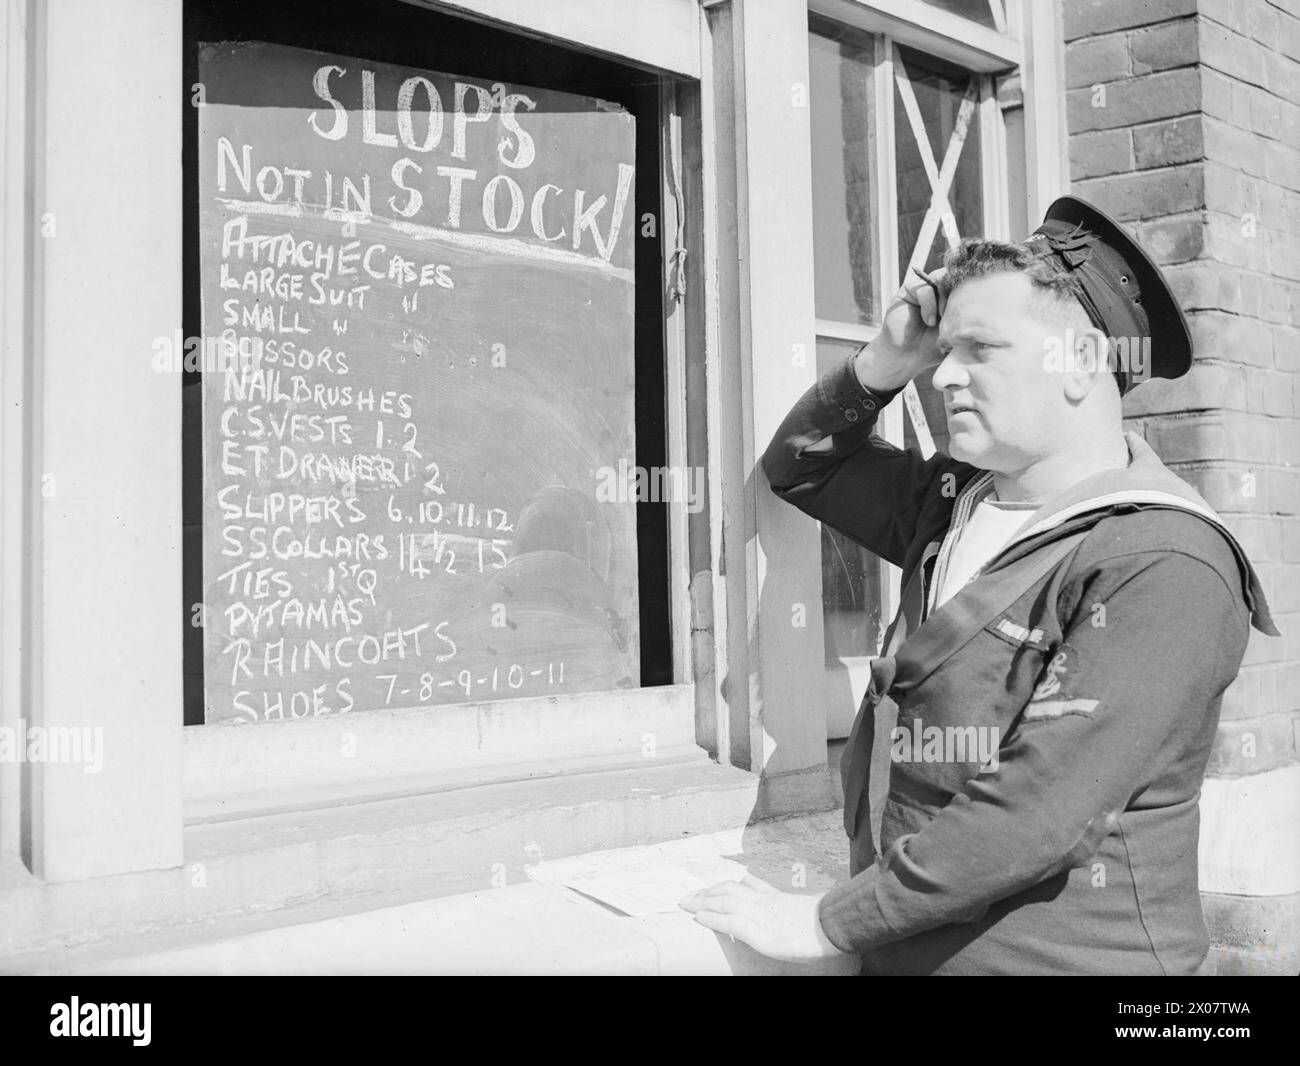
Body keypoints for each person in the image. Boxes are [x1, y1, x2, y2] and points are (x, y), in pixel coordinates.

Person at [679, 196, 1278, 975]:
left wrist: (831, 923)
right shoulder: (958, 501)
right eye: (942, 350)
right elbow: (803, 464)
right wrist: (882, 364)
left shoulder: (1163, 559)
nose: (945, 376)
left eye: (981, 349)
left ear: (1083, 364)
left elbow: (1037, 812)